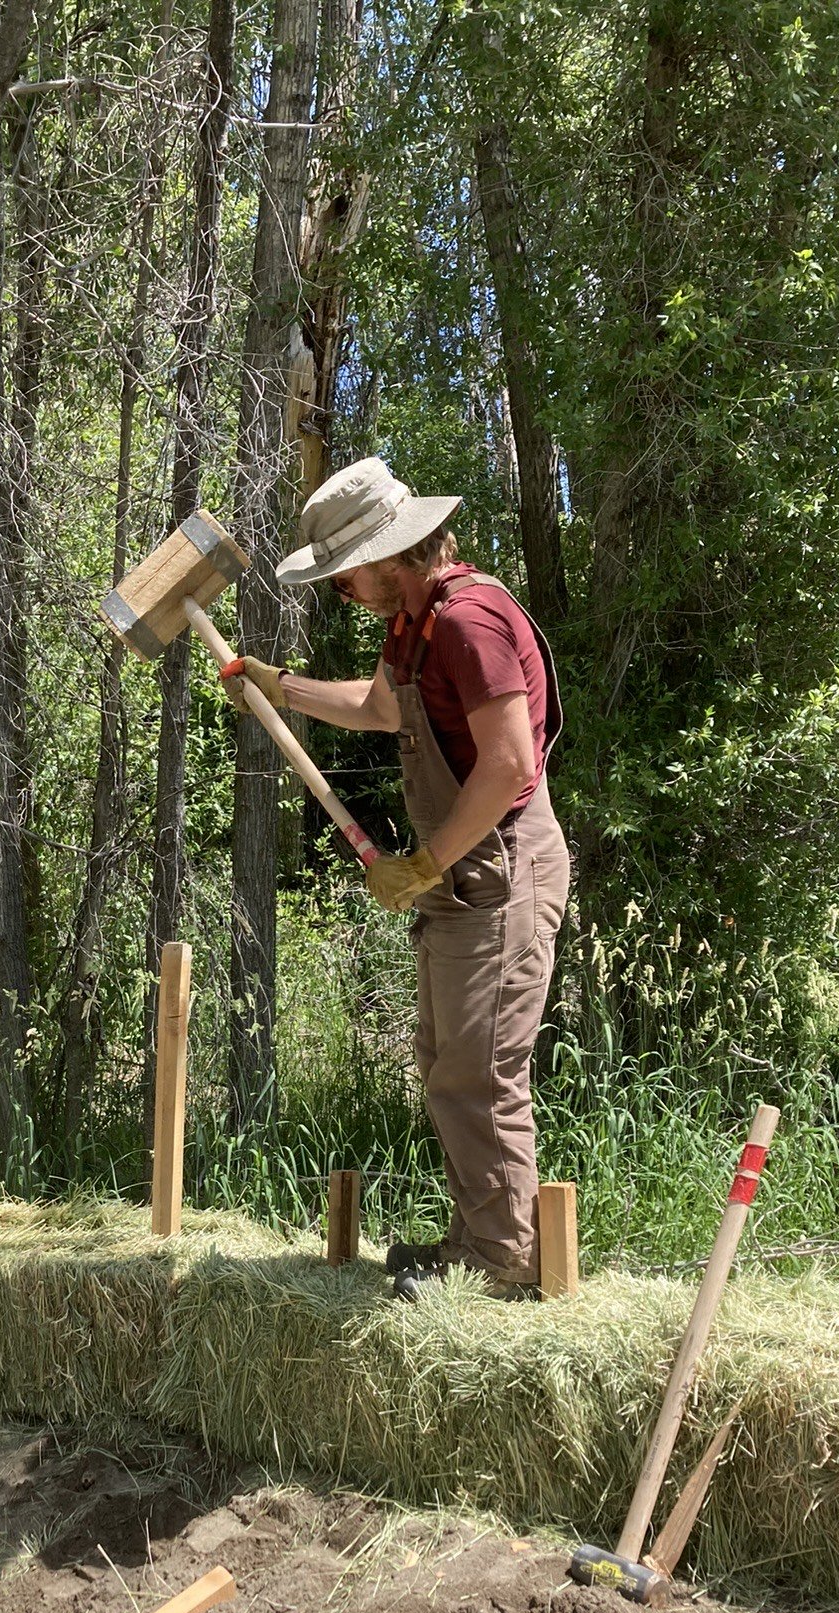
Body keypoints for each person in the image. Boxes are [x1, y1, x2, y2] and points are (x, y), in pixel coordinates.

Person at [228, 457, 568, 1297]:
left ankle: (502, 1267)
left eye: (347, 575)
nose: (344, 590)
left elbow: (508, 764)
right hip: (466, 874)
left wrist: (424, 864)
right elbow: (382, 708)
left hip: (502, 868)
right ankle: (477, 1241)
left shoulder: (468, 622)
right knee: (447, 1059)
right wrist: (280, 687)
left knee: (481, 1069)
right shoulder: (416, 623)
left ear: (393, 551)